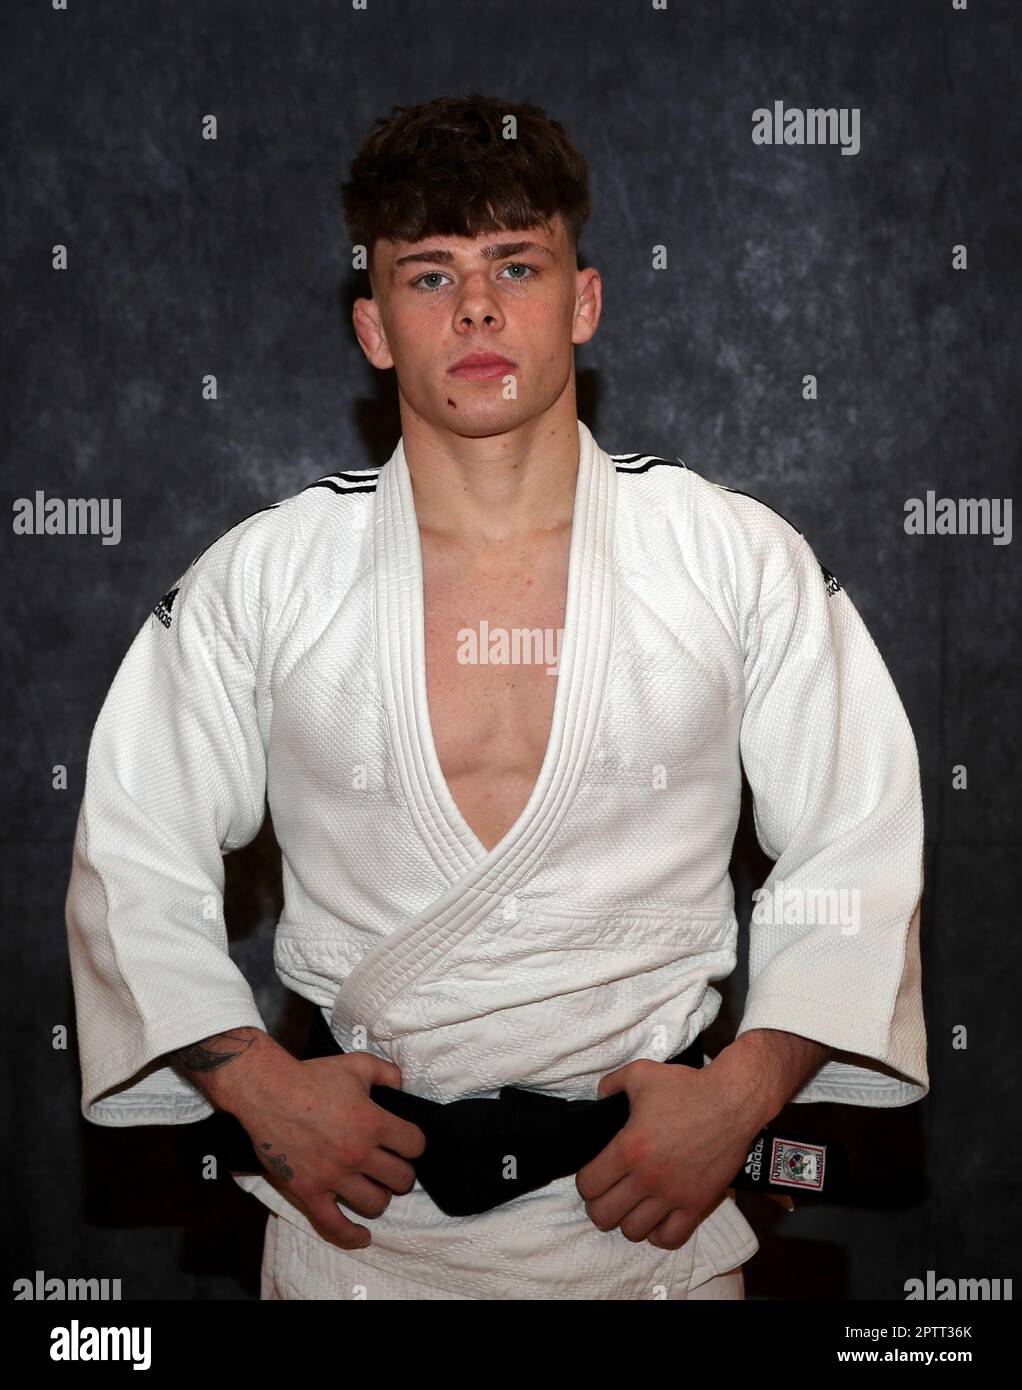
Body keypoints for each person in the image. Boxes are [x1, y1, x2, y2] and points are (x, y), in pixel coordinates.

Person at [64, 93, 927, 1301]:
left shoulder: (732, 556)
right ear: (371, 327)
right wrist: (257, 1086)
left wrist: (737, 1098)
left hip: (647, 1226)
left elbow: (861, 839)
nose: (474, 306)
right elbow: (131, 853)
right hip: (359, 1230)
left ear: (582, 301)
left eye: (515, 265)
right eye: (427, 276)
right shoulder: (263, 575)